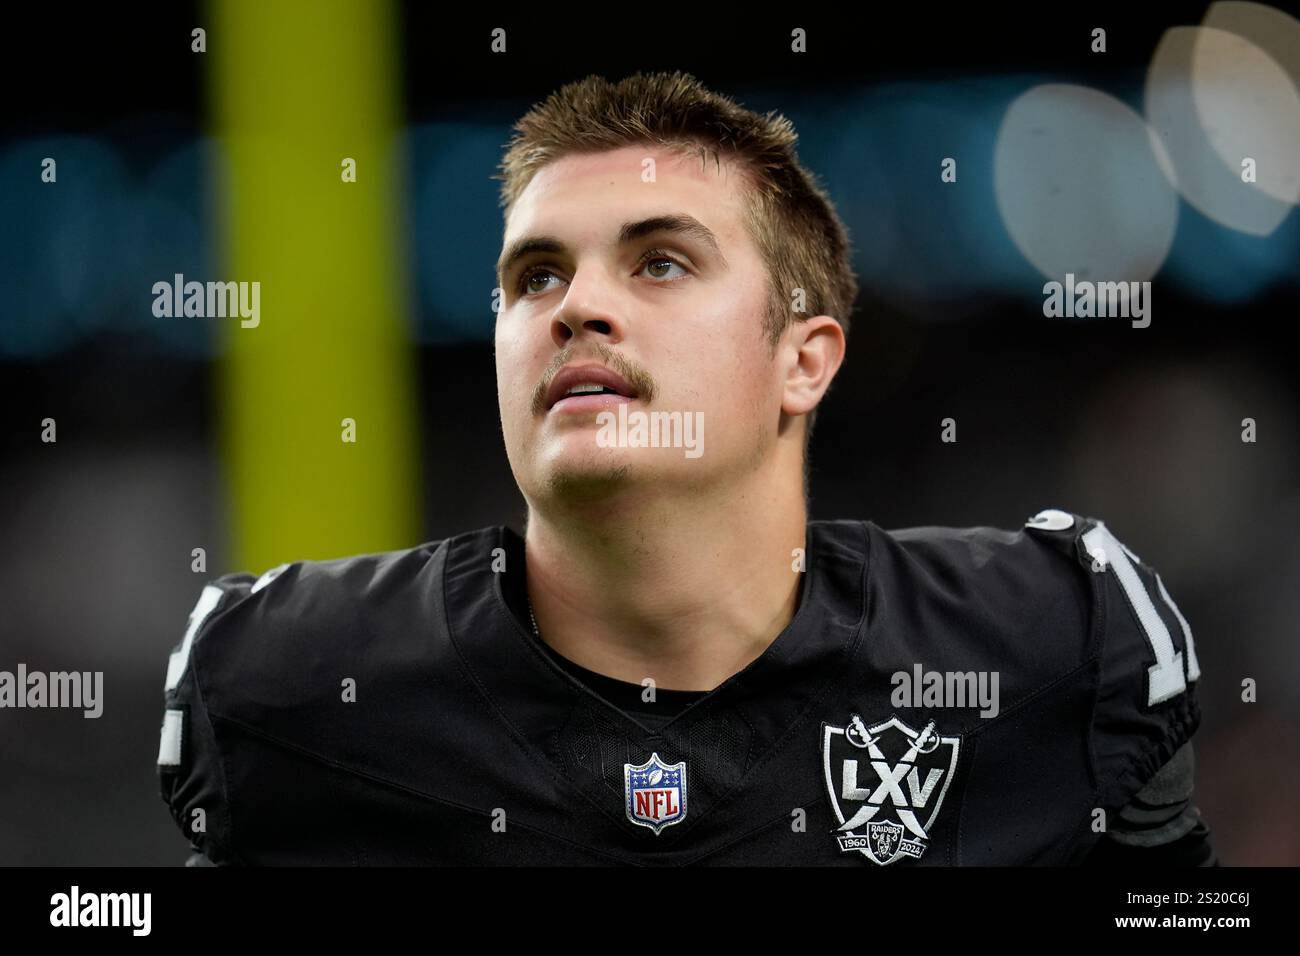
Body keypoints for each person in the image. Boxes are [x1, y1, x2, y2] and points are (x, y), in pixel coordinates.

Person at [158, 71, 1214, 865]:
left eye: (660, 260)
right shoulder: (292, 692)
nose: (574, 305)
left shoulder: (1050, 644)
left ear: (803, 359)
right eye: (534, 276)